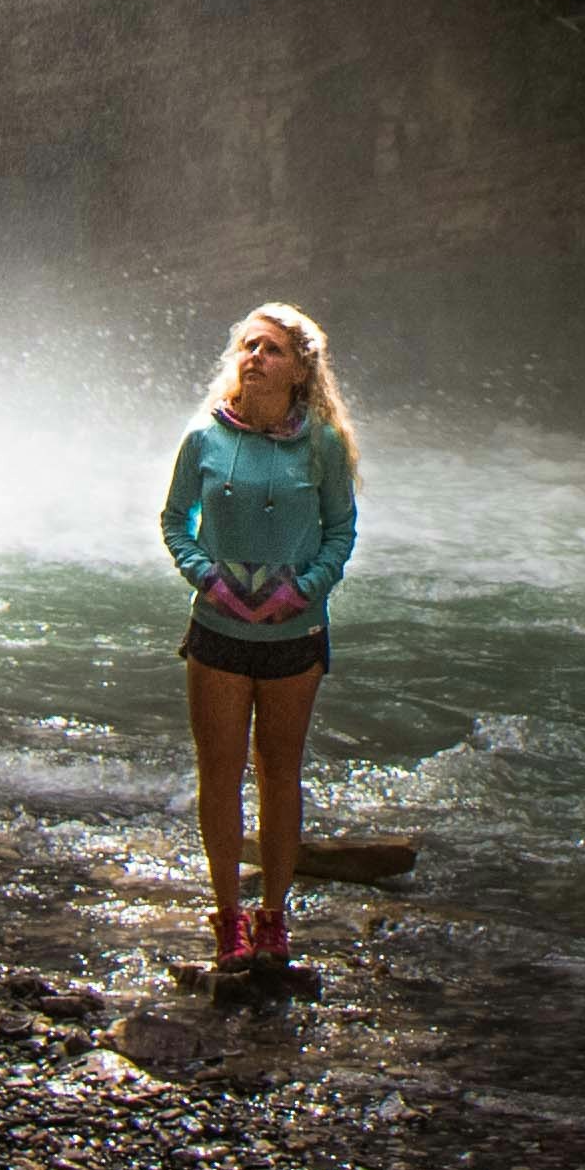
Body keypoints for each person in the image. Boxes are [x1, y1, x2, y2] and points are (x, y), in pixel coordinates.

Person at [159, 298, 359, 975]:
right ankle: (226, 917)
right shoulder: (203, 439)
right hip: (216, 630)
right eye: (248, 346)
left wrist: (303, 591)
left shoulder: (324, 446)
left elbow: (340, 534)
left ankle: (273, 916)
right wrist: (206, 580)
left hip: (294, 633)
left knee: (279, 774)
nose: (256, 357)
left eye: (271, 348)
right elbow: (173, 524)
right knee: (218, 773)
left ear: (301, 368)